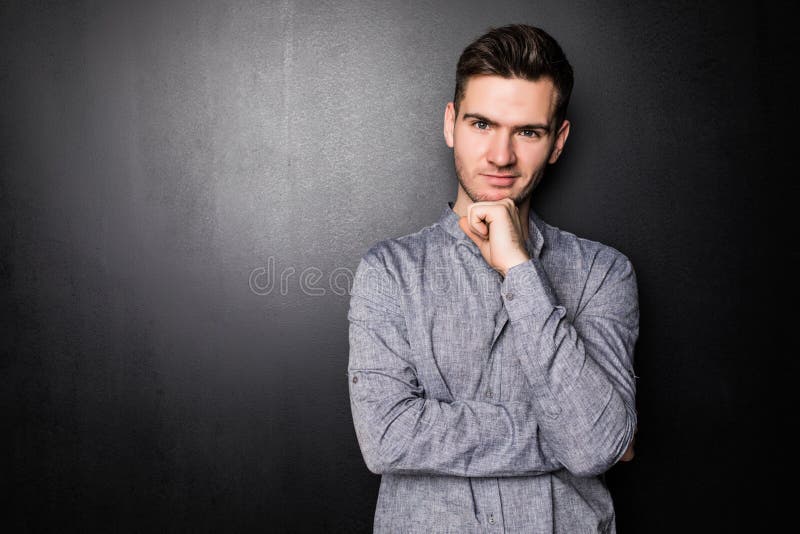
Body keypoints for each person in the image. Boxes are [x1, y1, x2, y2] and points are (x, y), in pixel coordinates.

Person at [347, 23, 639, 533]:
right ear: (450, 124)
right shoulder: (387, 272)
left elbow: (595, 446)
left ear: (557, 141)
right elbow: (387, 436)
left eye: (528, 131)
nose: (502, 156)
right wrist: (570, 435)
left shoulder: (603, 273)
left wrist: (519, 269)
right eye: (481, 124)